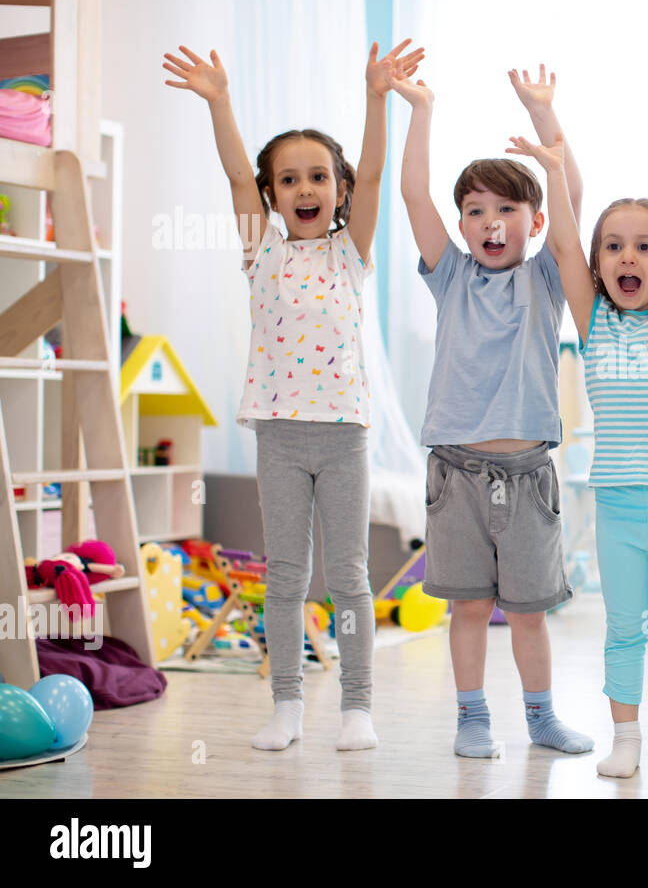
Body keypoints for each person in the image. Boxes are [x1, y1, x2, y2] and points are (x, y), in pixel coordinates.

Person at [164, 39, 423, 750]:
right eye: (288, 180)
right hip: (278, 435)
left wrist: (377, 97)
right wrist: (220, 102)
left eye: (318, 177)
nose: (305, 189)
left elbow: (373, 173)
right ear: (272, 195)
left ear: (337, 191)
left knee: (349, 578)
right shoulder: (262, 251)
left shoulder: (352, 252)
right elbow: (231, 172)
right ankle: (287, 706)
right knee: (285, 577)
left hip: (343, 435)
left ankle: (357, 708)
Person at [391, 64, 592, 759]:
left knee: (529, 614)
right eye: (474, 210)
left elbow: (570, 200)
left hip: (529, 472)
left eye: (504, 209)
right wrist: (421, 108)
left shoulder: (547, 279)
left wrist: (543, 118)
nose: (488, 222)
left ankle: (541, 720)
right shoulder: (451, 276)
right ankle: (471, 719)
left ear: (533, 222)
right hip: (457, 474)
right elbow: (413, 192)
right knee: (469, 607)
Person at [508, 129, 648, 779]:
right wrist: (552, 167)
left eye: (646, 247)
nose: (630, 257)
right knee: (624, 627)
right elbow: (563, 243)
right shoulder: (594, 322)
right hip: (618, 505)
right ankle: (625, 738)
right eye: (615, 247)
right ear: (598, 266)